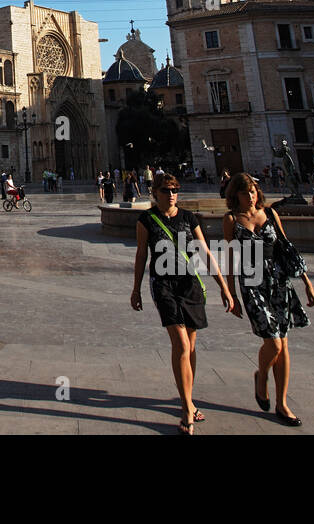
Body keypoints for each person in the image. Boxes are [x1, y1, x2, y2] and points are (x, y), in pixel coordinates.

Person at [131, 172, 235, 435]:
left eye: (175, 189)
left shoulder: (189, 218)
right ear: (155, 192)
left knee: (190, 348)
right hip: (163, 285)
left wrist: (224, 286)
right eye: (166, 190)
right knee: (182, 343)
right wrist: (136, 290)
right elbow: (141, 254)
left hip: (190, 284)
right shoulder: (146, 219)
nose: (172, 194)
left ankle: (187, 399)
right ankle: (188, 409)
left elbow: (204, 251)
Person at [222, 172, 314, 427]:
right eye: (245, 192)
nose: (250, 196)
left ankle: (281, 403)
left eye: (253, 191)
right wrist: (229, 292)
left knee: (283, 344)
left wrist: (307, 283)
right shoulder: (231, 220)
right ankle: (261, 374)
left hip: (279, 281)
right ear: (235, 196)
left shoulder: (271, 214)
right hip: (252, 283)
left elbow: (287, 248)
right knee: (273, 344)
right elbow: (231, 258)